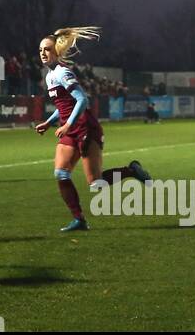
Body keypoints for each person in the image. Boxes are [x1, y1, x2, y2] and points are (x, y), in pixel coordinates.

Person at [33, 27, 150, 232]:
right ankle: (79, 219)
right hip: (70, 127)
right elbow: (63, 107)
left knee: (96, 184)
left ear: (57, 52)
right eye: (41, 50)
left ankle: (131, 170)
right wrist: (49, 122)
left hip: (85, 126)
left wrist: (68, 124)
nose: (43, 53)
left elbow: (81, 99)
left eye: (47, 49)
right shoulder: (49, 76)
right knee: (61, 173)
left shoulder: (63, 72)